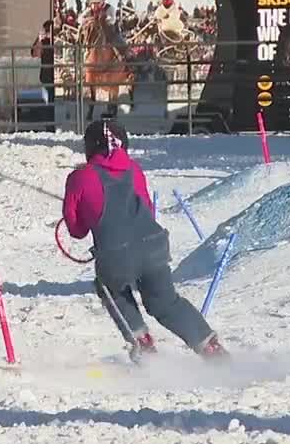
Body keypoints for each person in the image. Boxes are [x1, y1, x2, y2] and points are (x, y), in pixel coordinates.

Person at [63, 119, 226, 361]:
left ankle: (142, 343)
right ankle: (210, 347)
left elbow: (77, 230)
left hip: (115, 255)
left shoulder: (80, 177)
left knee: (111, 290)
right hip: (153, 246)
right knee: (166, 303)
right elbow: (147, 209)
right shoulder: (134, 170)